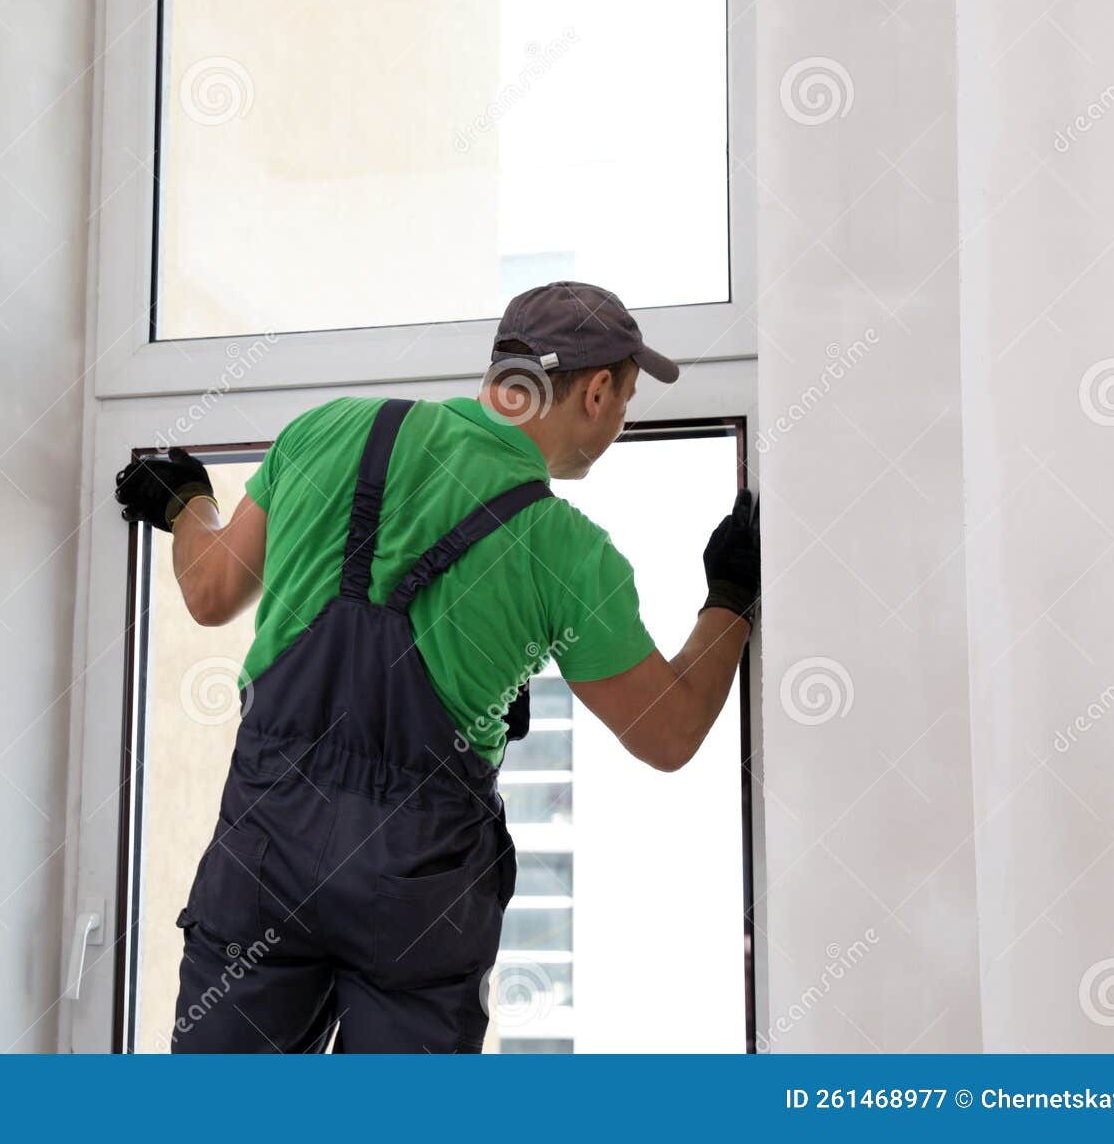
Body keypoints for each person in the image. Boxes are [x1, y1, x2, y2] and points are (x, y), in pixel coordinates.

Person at [114, 280, 760, 1053]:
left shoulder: (325, 429)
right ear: (595, 393)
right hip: (416, 890)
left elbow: (211, 589)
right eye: (625, 399)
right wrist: (730, 599)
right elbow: (669, 731)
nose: (620, 420)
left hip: (266, 856)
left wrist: (188, 502)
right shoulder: (568, 551)